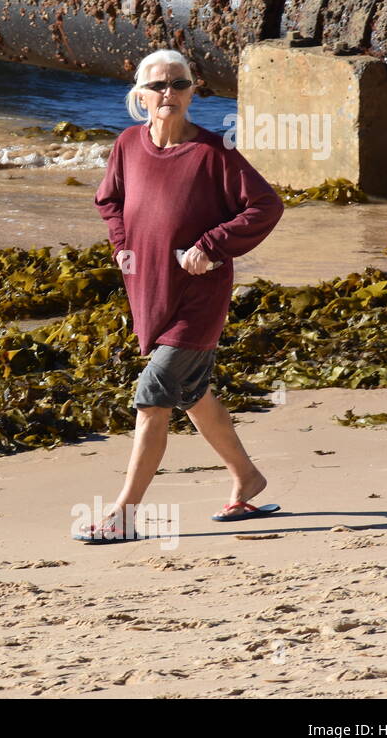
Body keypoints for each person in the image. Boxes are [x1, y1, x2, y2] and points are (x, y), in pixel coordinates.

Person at [80, 49, 285, 542]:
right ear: (139, 96)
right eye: (156, 86)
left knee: (152, 396)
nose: (166, 93)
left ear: (193, 91)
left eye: (177, 83)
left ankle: (125, 513)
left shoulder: (215, 154)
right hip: (149, 292)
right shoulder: (129, 144)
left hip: (200, 297)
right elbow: (109, 201)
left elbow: (265, 206)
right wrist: (122, 247)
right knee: (192, 393)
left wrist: (211, 245)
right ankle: (248, 478)